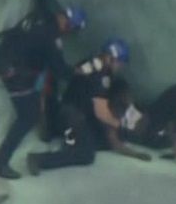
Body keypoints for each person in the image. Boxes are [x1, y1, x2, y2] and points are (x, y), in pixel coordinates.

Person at [0, 0, 86, 179]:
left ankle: (1, 161)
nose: (69, 33)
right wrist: (77, 72)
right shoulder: (51, 38)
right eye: (72, 29)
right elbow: (60, 70)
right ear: (69, 25)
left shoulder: (41, 17)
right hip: (14, 71)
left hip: (4, 59)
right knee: (28, 116)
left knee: (31, 112)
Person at [25, 39, 130, 174]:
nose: (120, 67)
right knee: (85, 154)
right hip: (70, 118)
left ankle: (67, 137)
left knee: (104, 139)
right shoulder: (95, 70)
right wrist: (116, 123)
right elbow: (100, 110)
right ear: (111, 58)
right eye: (120, 63)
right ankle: (39, 159)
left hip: (80, 116)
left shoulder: (102, 70)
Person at [106, 78, 176, 174]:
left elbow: (144, 113)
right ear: (117, 97)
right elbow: (116, 145)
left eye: (128, 94)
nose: (129, 97)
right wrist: (137, 155)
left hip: (152, 121)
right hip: (148, 135)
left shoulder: (131, 105)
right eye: (125, 95)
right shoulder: (111, 118)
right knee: (170, 137)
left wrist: (142, 113)